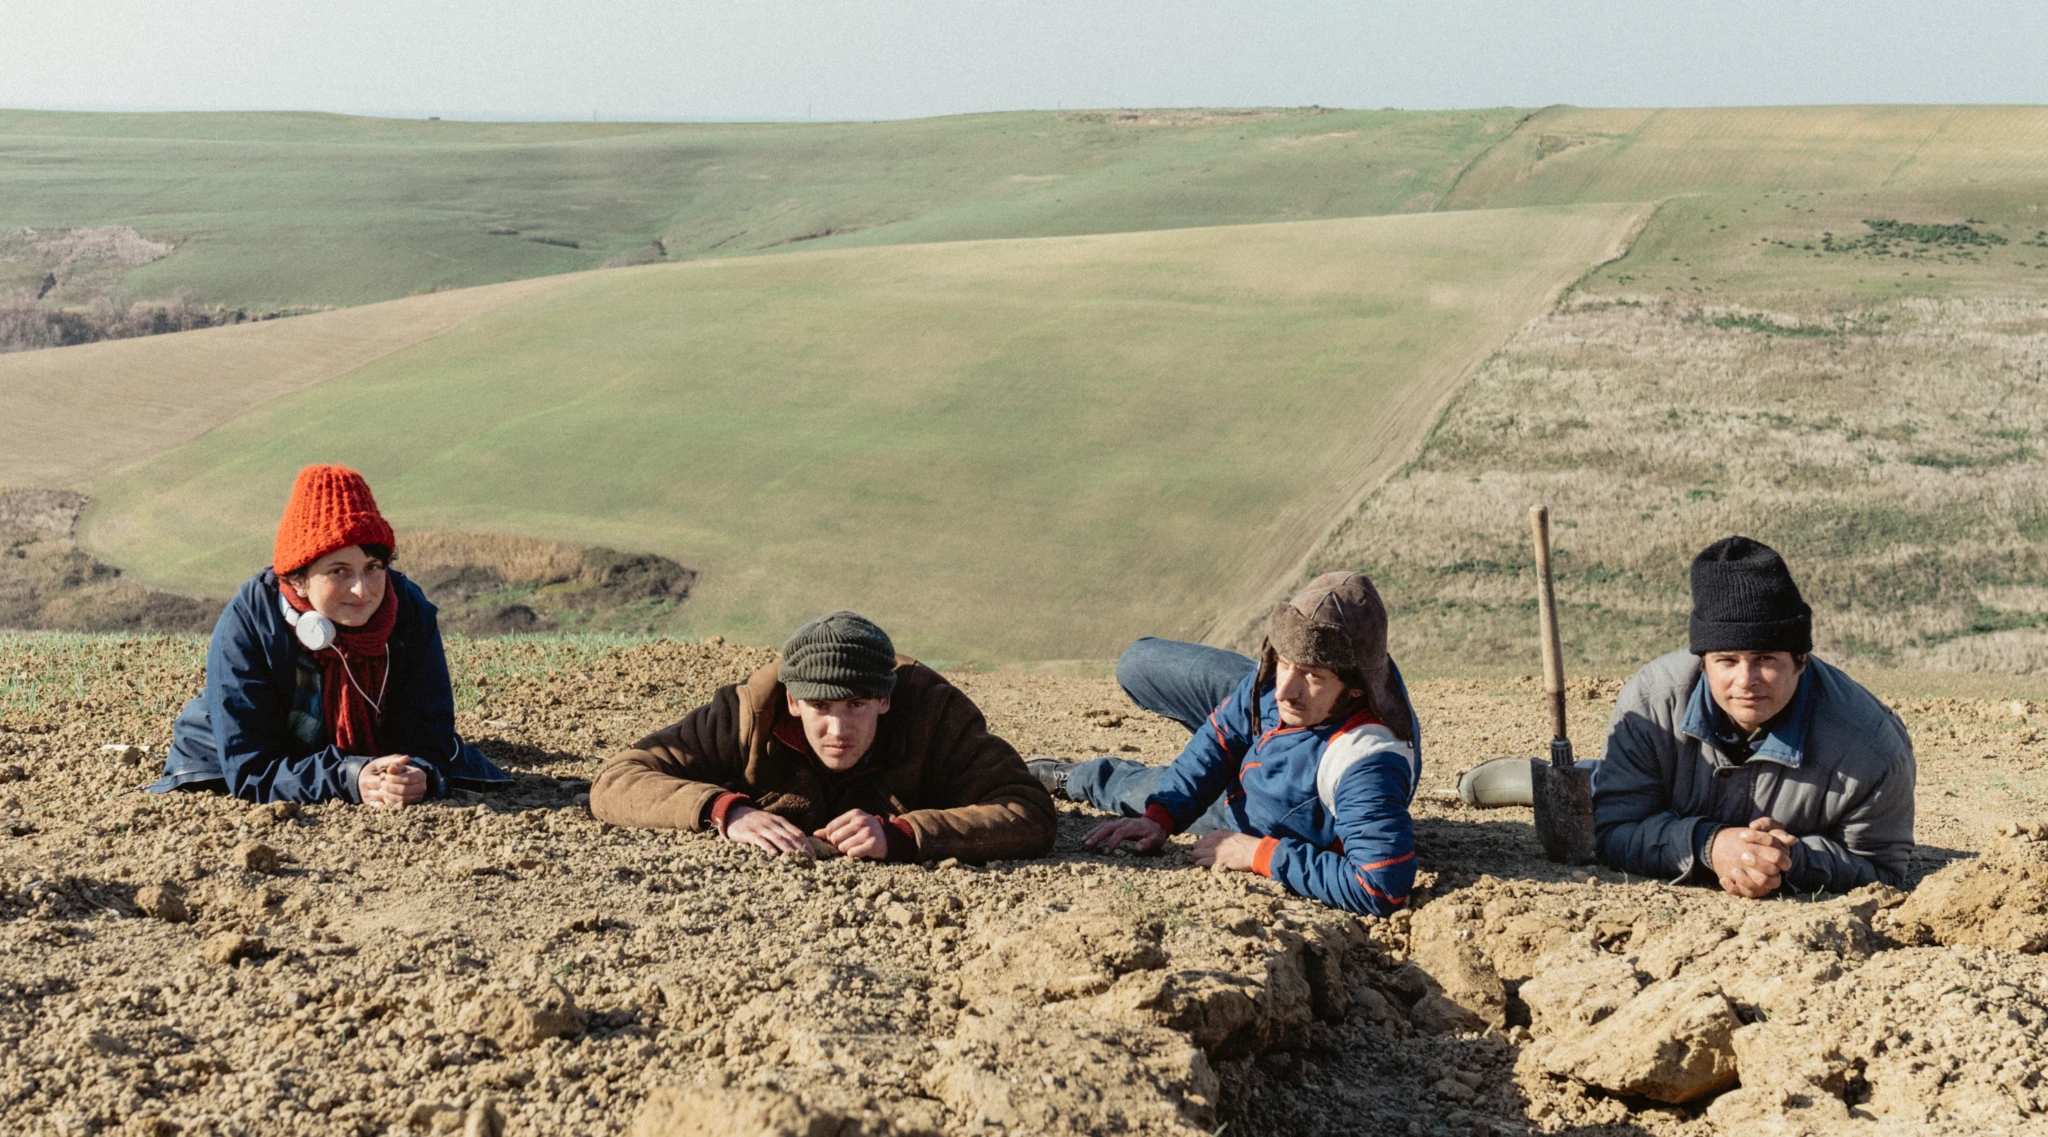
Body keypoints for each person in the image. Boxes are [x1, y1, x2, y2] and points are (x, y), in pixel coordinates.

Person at [1036, 572, 1422, 917]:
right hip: (1274, 733)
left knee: (1133, 791)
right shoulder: (1286, 679)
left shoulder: (1366, 764)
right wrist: (1162, 815)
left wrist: (1260, 853)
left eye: (1311, 675)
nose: (1284, 691)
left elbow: (1380, 887)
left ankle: (1075, 777)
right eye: (1283, 662)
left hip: (1260, 809)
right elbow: (1220, 736)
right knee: (1140, 662)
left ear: (1357, 688)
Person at [151, 464, 509, 804]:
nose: (361, 590)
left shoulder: (411, 612)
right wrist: (349, 777)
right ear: (298, 578)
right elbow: (251, 769)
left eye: (373, 567)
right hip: (235, 763)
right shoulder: (248, 623)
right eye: (339, 571)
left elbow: (429, 737)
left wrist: (418, 774)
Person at [591, 611, 1056, 863]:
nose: (838, 730)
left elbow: (1028, 811)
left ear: (885, 699)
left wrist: (901, 834)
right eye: (820, 707)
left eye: (856, 705)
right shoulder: (749, 711)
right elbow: (617, 779)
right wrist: (725, 811)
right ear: (793, 700)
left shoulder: (934, 713)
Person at [1594, 536, 1915, 896]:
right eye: (1727, 661)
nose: (1746, 681)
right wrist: (1708, 844)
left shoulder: (1871, 747)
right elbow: (1612, 829)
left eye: (1765, 659)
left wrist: (1788, 858)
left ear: (1801, 660)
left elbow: (1882, 870)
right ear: (1703, 664)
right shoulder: (1651, 705)